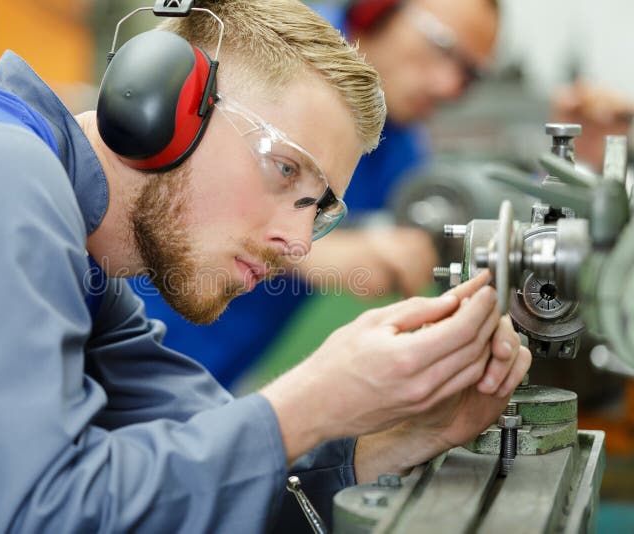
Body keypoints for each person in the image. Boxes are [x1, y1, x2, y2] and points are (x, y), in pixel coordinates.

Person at [0, 0, 530, 532]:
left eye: (317, 208)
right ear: (163, 103)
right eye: (285, 170)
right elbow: (36, 515)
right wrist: (313, 398)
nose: (299, 242)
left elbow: (200, 456)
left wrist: (401, 434)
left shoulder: (87, 274)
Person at [130, 0, 500, 388]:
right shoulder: (274, 43)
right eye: (443, 47)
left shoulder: (401, 145)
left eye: (470, 75)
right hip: (110, 340)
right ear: (378, 9)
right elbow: (185, 168)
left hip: (200, 386)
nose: (449, 87)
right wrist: (316, 254)